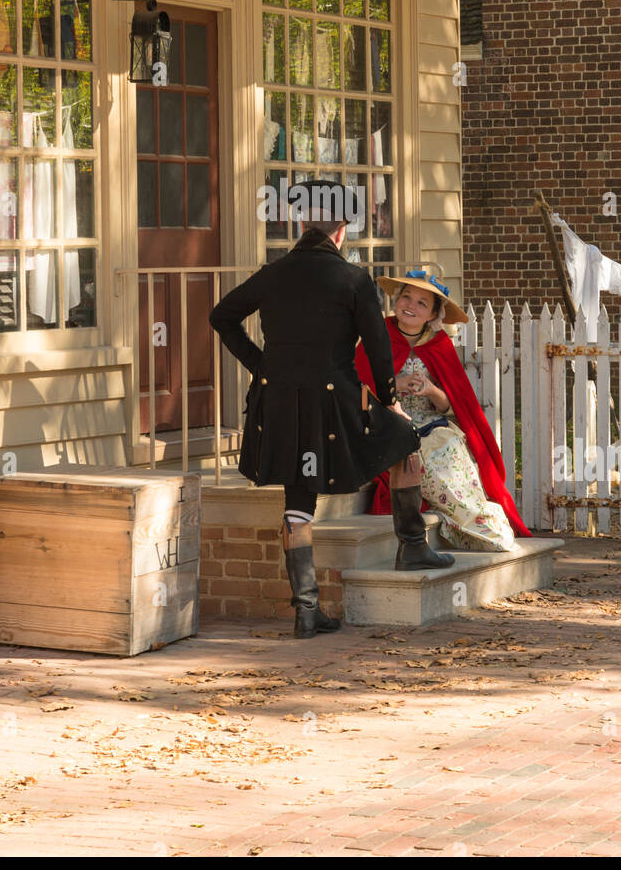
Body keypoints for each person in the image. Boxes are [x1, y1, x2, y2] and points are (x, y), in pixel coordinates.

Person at [209, 181, 454, 640]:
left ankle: (306, 610)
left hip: (278, 401)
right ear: (341, 230)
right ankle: (412, 546)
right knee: (404, 439)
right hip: (334, 399)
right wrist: (390, 400)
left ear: (303, 224)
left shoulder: (274, 273)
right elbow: (380, 350)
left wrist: (261, 364)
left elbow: (221, 316)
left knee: (298, 501)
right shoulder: (353, 279)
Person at [355, 269, 531, 551]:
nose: (410, 305)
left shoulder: (439, 345)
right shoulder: (377, 338)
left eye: (421, 303)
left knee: (449, 449)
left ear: (433, 316)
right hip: (387, 426)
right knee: (423, 453)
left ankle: (480, 519)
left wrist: (431, 390)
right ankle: (471, 525)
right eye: (406, 297)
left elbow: (452, 406)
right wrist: (393, 386)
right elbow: (355, 391)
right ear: (396, 301)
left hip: (433, 425)